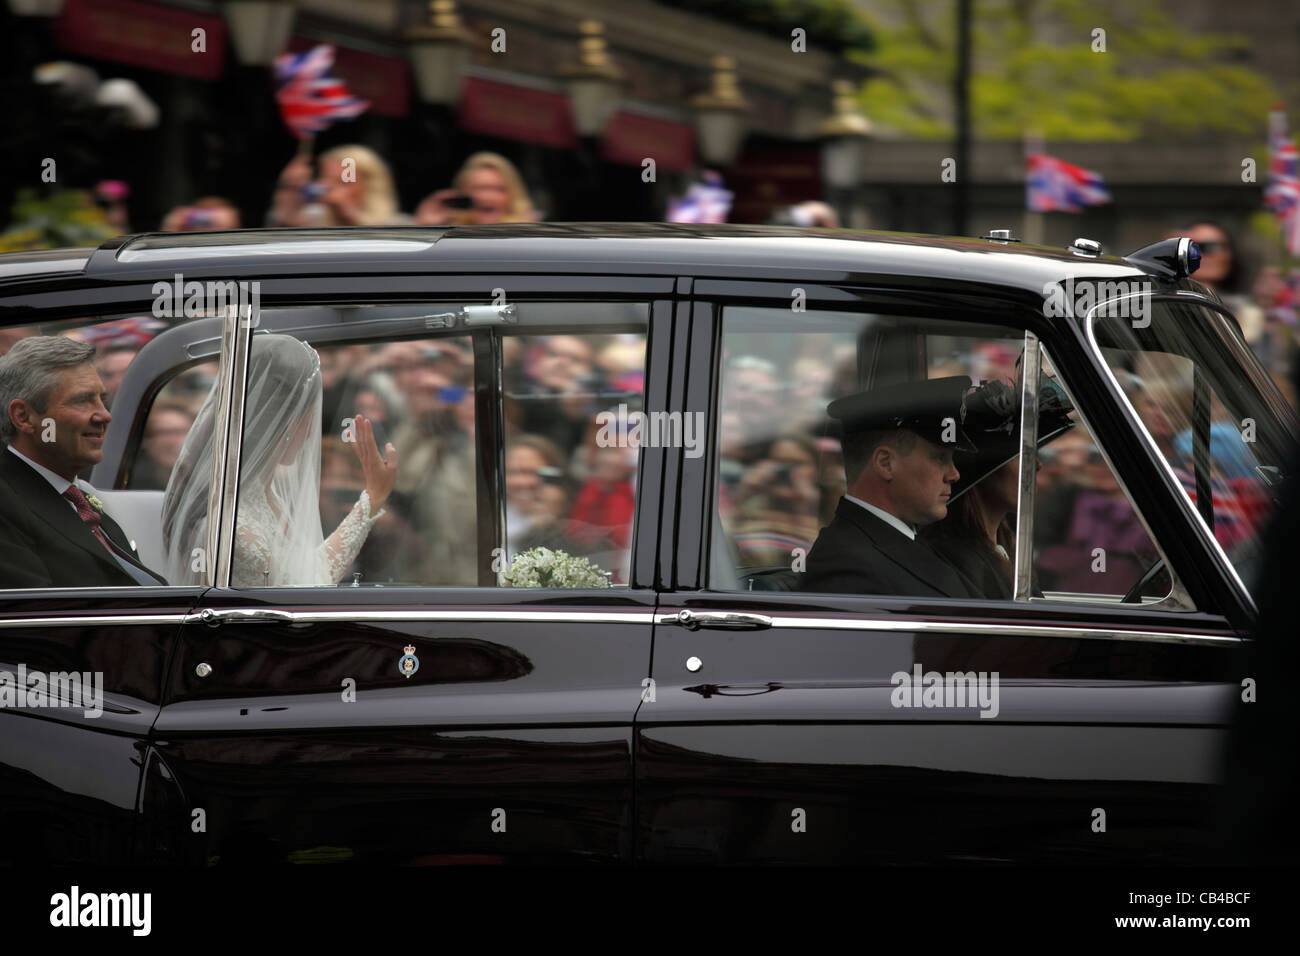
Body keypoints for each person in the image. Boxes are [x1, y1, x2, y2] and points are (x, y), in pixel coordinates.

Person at [161, 334, 398, 587]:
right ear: (286, 421)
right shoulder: (231, 529)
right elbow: (310, 586)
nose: (310, 433)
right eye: (308, 416)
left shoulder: (261, 493)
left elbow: (307, 568)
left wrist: (373, 496)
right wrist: (373, 496)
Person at [0, 336, 167, 587]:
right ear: (24, 417)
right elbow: (42, 620)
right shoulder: (7, 503)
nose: (104, 415)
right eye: (82, 400)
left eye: (102, 399)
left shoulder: (78, 499)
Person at [801, 376, 979, 598]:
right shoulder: (845, 565)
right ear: (886, 463)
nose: (954, 474)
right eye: (940, 458)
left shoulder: (899, 542)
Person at [270, 145, 410, 227]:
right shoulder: (313, 218)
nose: (327, 186)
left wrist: (350, 217)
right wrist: (289, 189)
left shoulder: (400, 225)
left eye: (342, 182)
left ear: (370, 185)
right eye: (325, 178)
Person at [415, 152, 538, 226]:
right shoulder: (447, 235)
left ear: (513, 196)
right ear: (463, 194)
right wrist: (425, 228)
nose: (487, 196)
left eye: (498, 189)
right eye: (480, 188)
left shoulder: (530, 237)